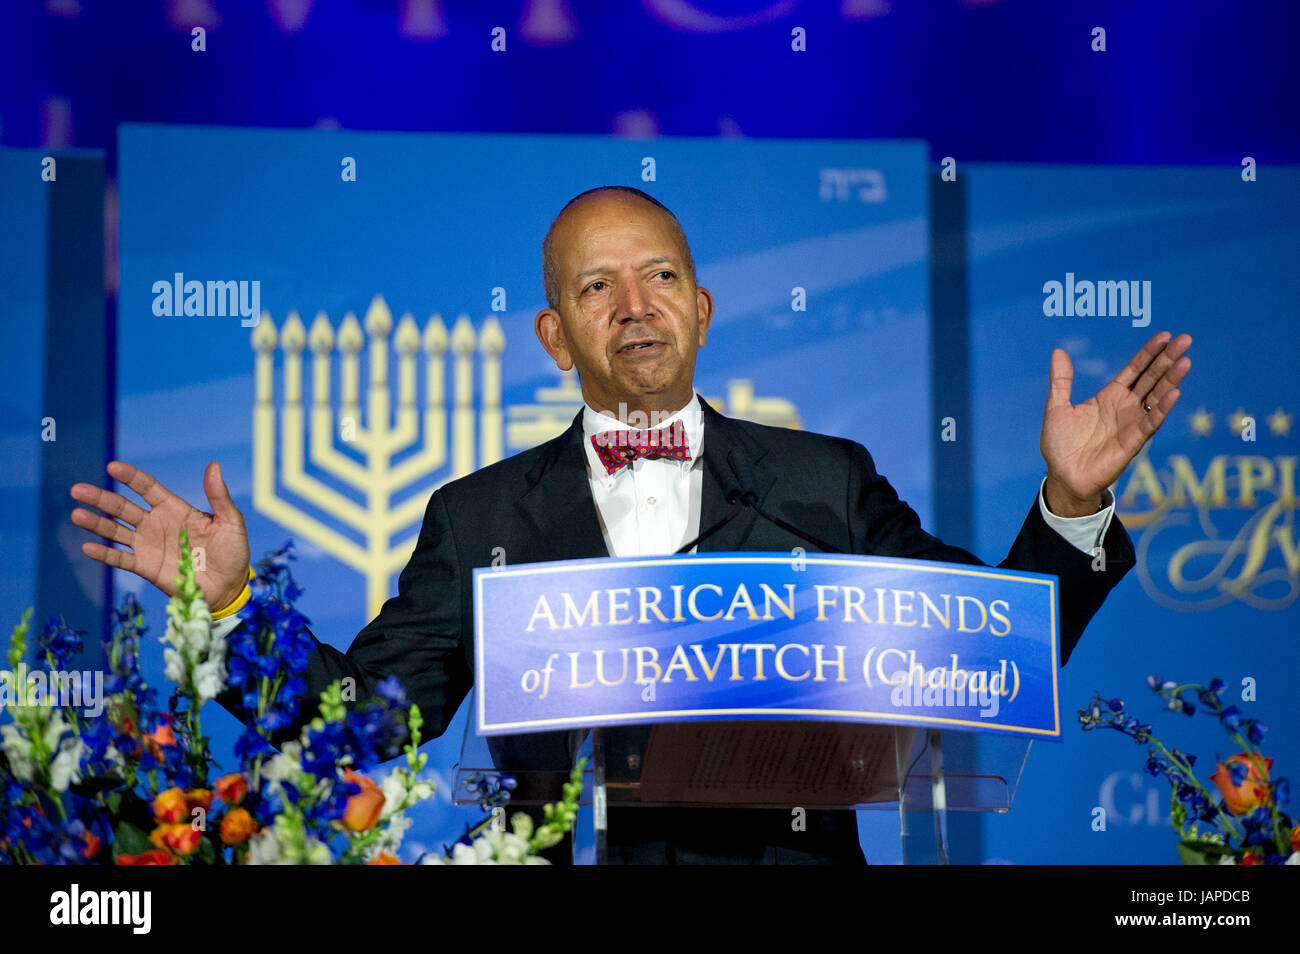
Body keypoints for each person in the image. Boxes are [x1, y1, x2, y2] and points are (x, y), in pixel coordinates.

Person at [70, 185, 1192, 864]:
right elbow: (367, 733)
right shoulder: (480, 517)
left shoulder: (821, 479)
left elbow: (981, 654)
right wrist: (224, 607)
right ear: (557, 338)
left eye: (661, 276)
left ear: (702, 310)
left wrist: (1072, 504)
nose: (637, 305)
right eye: (598, 288)